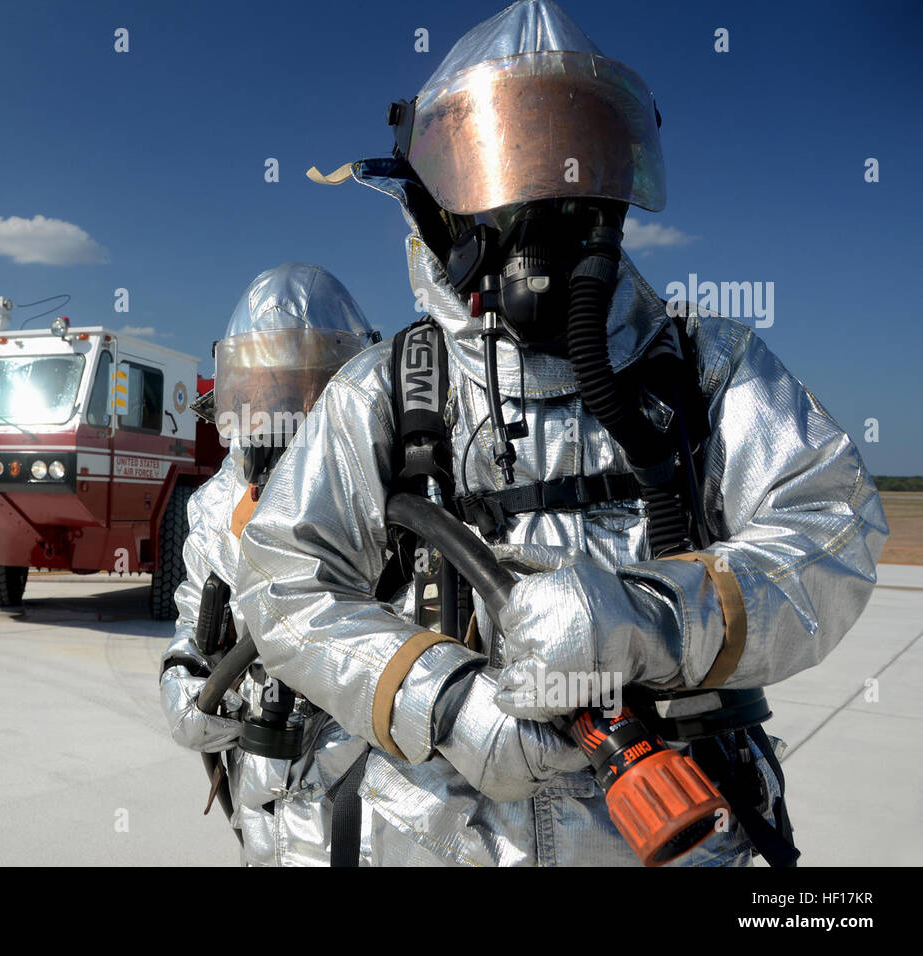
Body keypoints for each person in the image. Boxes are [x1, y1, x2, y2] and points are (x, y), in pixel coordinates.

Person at [234, 0, 887, 866]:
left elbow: (833, 529)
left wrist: (658, 616)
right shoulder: (387, 389)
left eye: (576, 153)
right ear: (436, 204)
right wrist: (448, 704)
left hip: (682, 824)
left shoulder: (703, 365)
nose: (547, 202)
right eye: (509, 156)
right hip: (445, 836)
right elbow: (282, 582)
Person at [158, 262, 382, 865]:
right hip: (260, 788)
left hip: (376, 800)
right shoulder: (216, 505)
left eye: (300, 388)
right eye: (262, 389)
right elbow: (193, 620)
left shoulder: (391, 500)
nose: (279, 411)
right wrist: (182, 683)